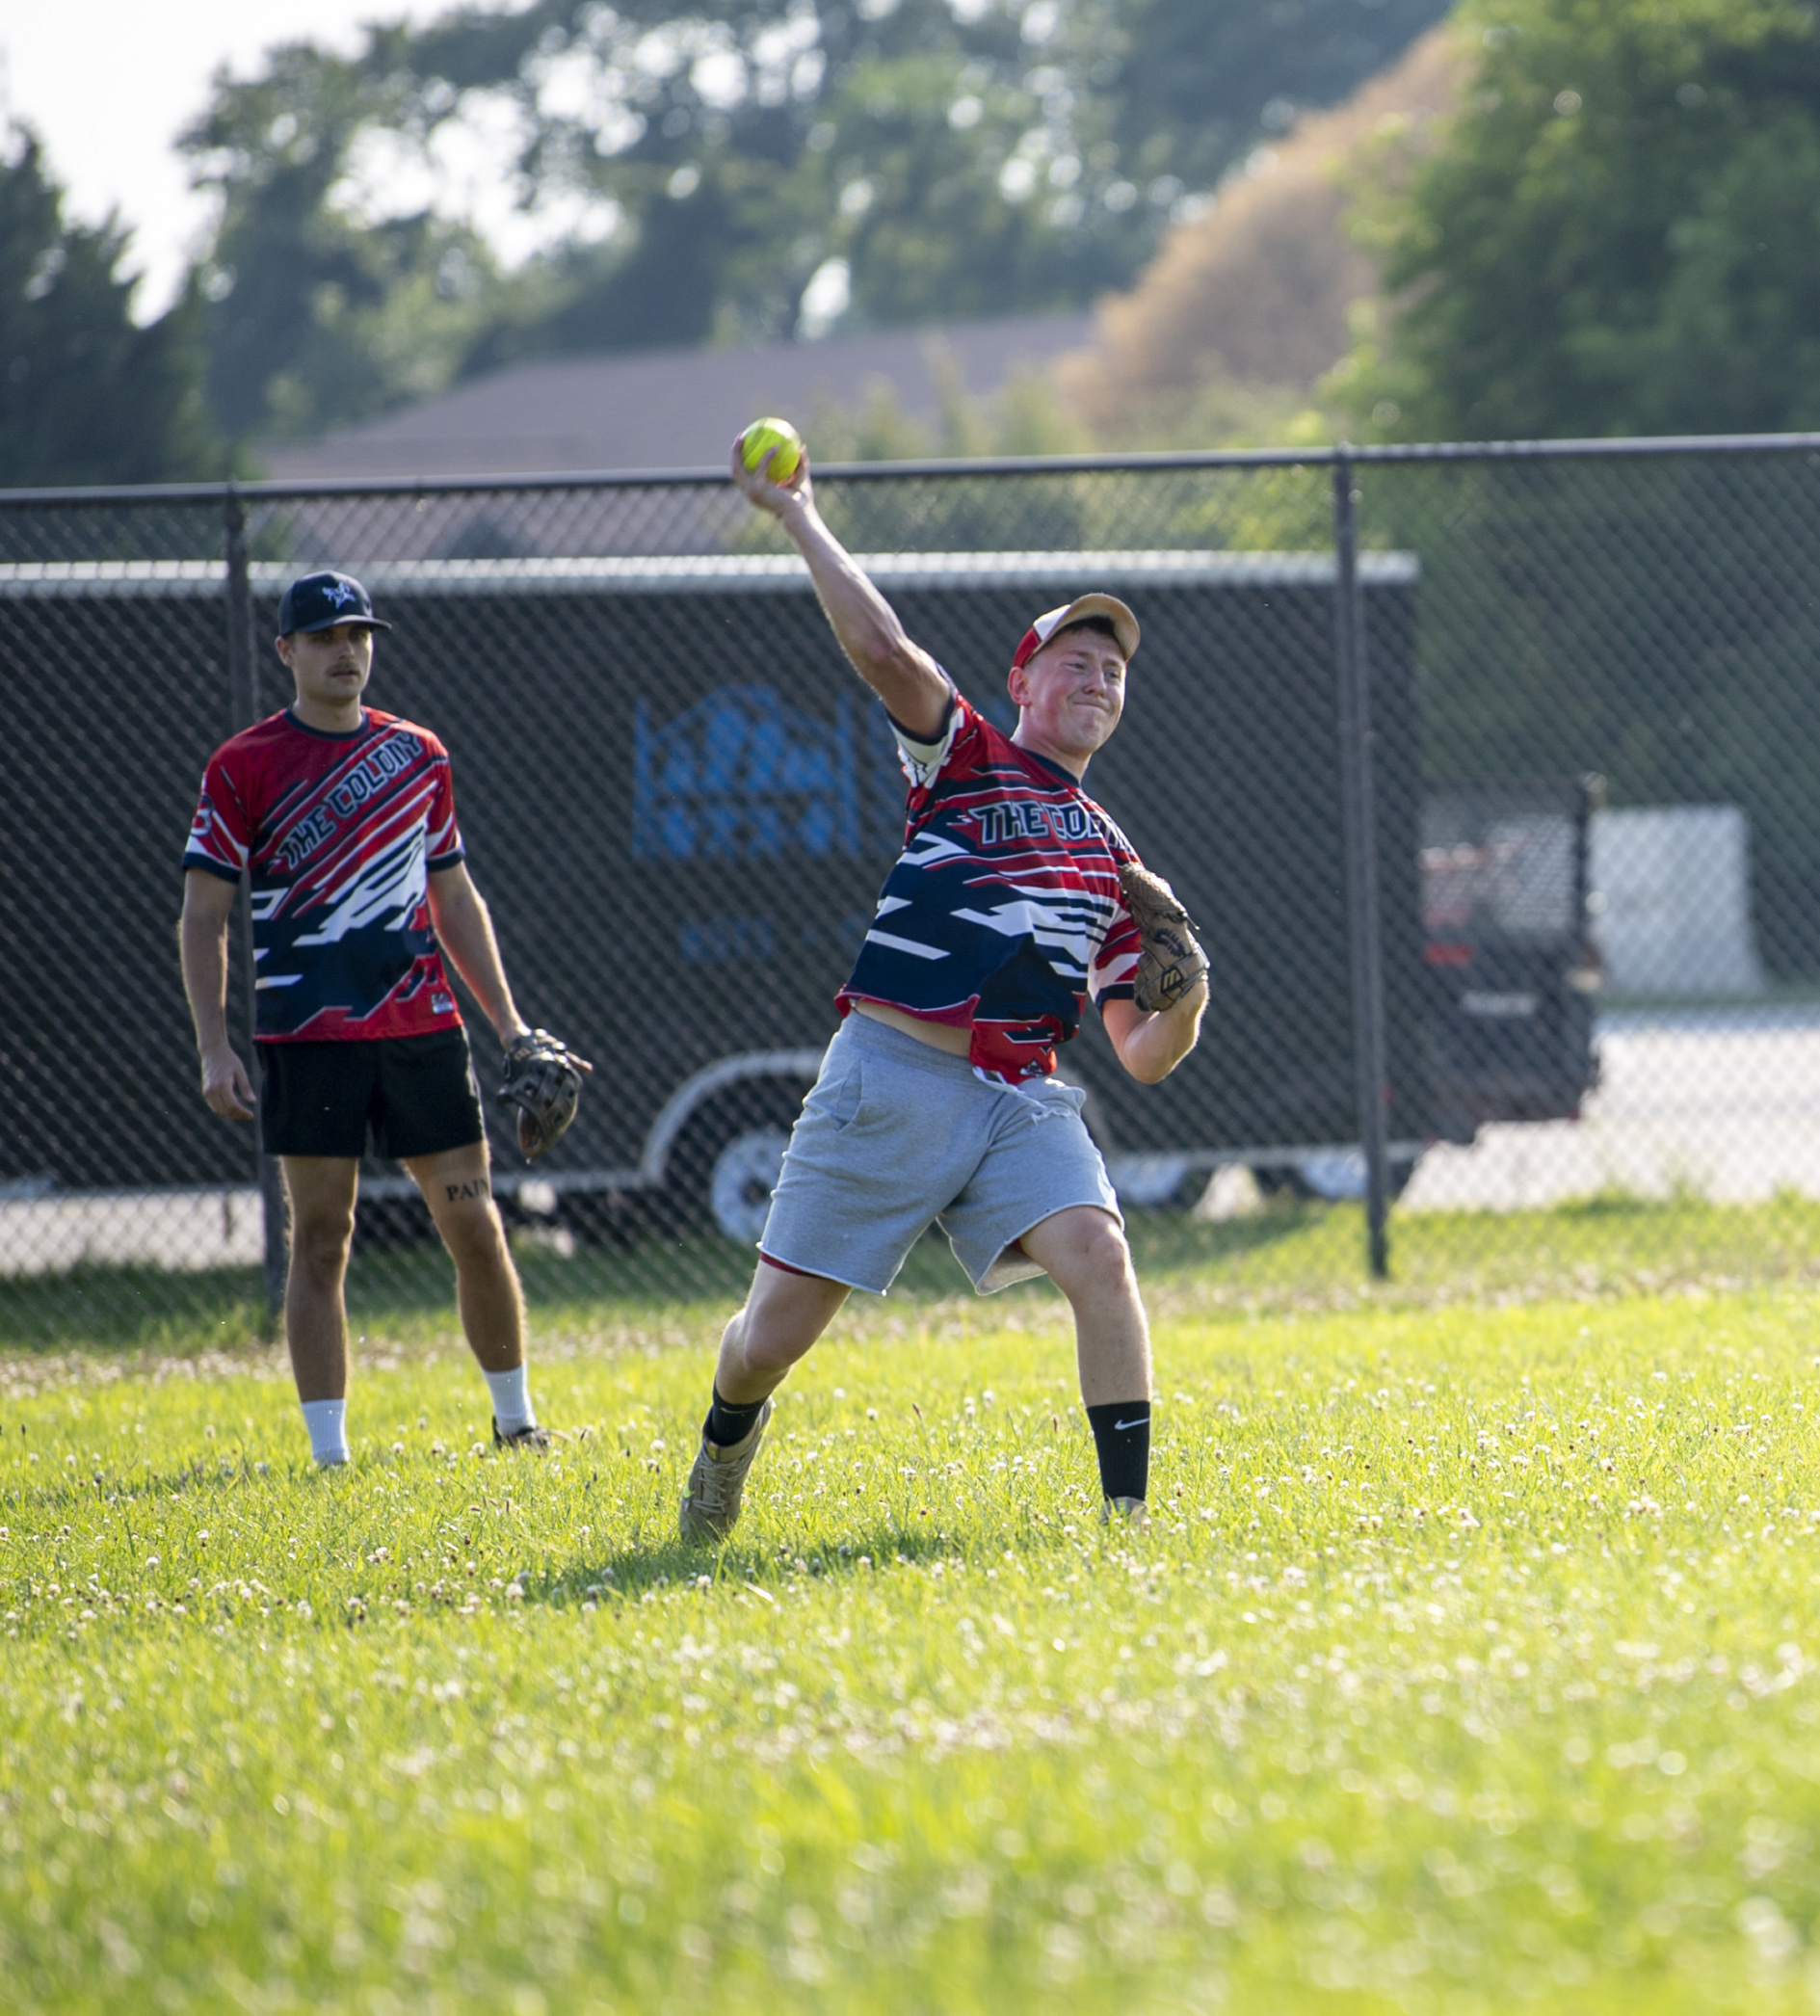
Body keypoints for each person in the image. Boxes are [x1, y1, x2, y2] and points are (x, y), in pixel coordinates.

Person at [678, 437, 1209, 1542]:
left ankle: (1127, 1522)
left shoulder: (1115, 857)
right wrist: (799, 516)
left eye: (1112, 670)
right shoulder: (964, 758)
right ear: (1021, 682)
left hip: (1018, 1095)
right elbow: (880, 648)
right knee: (770, 1337)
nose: (1097, 679)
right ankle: (725, 1438)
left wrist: (1189, 989)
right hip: (892, 1071)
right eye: (1075, 660)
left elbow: (1142, 1053)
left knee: (1102, 1258)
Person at [178, 570, 573, 1468]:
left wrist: (509, 1027)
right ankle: (329, 1456)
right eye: (323, 637)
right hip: (308, 1037)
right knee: (322, 1239)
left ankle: (515, 1423)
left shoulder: (417, 754)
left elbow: (453, 894)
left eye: (358, 634)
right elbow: (203, 915)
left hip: (421, 1032)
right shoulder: (244, 765)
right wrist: (213, 1044)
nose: (345, 651)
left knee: (474, 1224)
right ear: (287, 652)